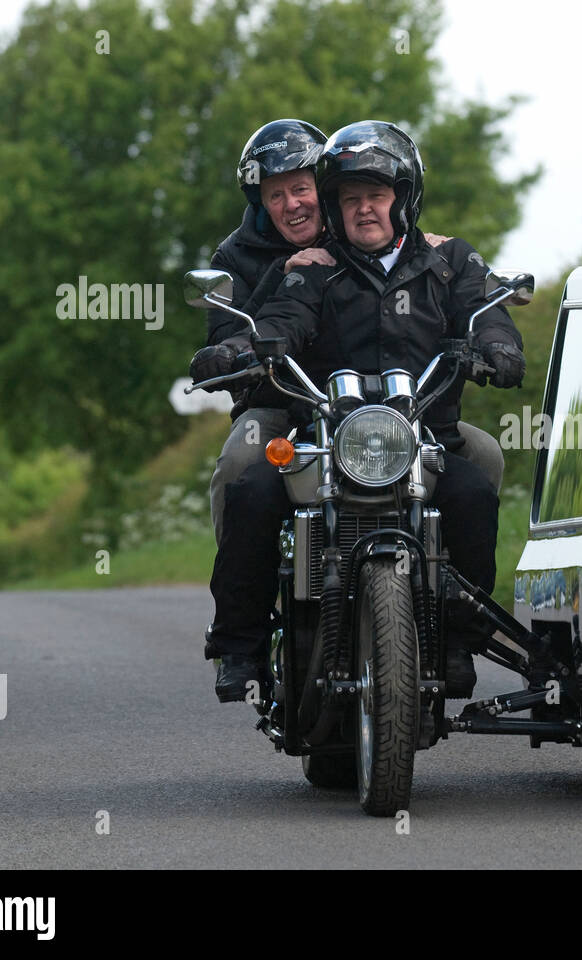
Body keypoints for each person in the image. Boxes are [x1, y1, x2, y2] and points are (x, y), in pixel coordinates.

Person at [199, 120, 525, 703]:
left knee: (474, 492)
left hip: (423, 434)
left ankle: (457, 637)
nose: (365, 210)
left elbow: (485, 310)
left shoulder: (448, 259)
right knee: (250, 490)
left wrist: (496, 346)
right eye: (352, 200)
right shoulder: (310, 268)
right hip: (319, 431)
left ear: (404, 199)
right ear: (335, 206)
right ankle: (239, 645)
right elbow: (279, 321)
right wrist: (238, 349)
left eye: (377, 197)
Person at [192, 119, 502, 546]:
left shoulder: (400, 247)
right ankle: (242, 598)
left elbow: (459, 301)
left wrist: (426, 255)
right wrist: (278, 278)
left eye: (301, 189)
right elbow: (241, 331)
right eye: (275, 195)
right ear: (261, 203)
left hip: (390, 407)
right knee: (240, 465)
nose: (292, 204)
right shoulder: (237, 255)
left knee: (483, 457)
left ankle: (453, 583)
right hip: (286, 404)